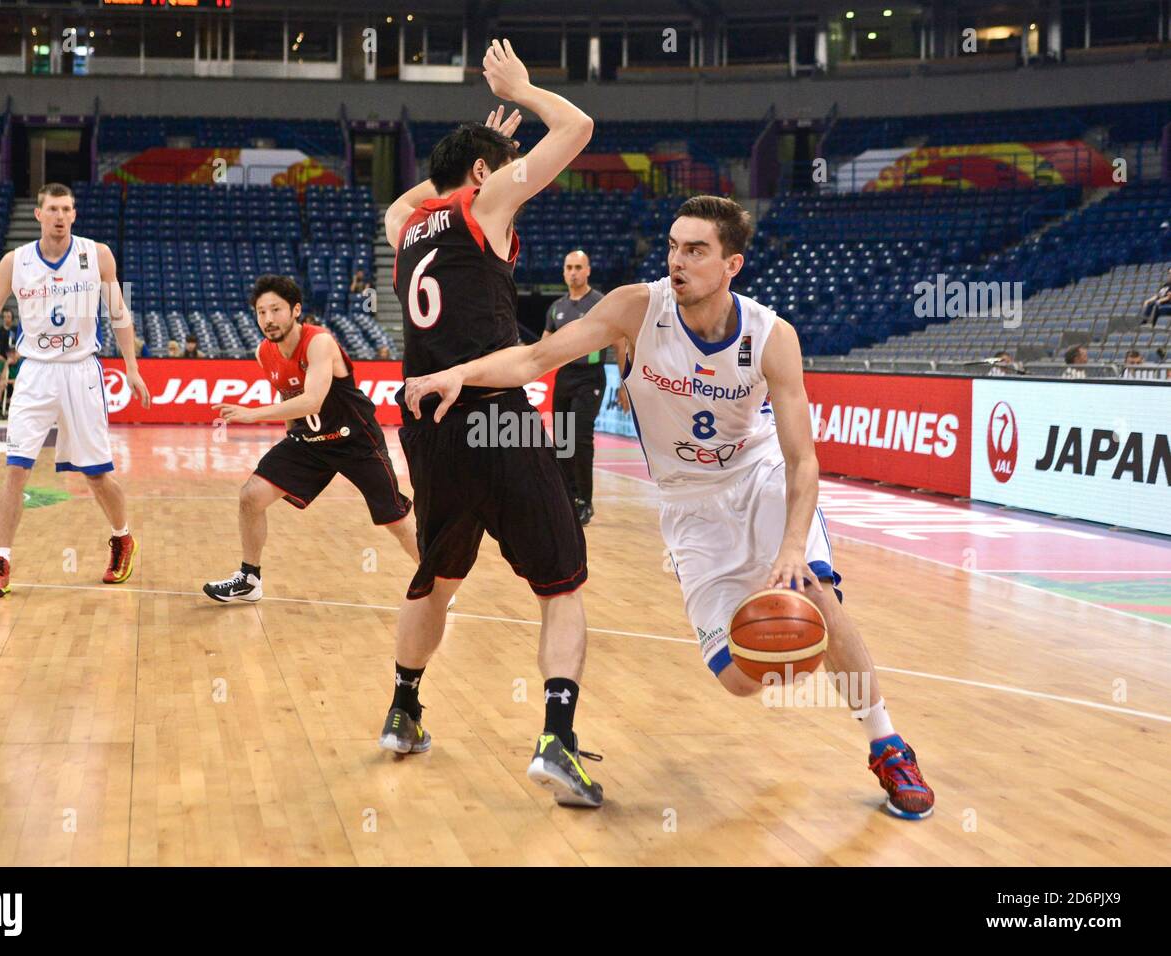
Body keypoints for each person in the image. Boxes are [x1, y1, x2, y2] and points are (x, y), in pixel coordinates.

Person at [405, 195, 937, 821]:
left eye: (695, 250)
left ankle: (887, 744)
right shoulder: (638, 307)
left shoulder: (772, 336)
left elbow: (802, 462)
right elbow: (534, 358)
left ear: (731, 263)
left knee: (815, 590)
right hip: (688, 504)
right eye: (672, 247)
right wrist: (458, 375)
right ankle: (802, 647)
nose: (677, 261)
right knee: (739, 678)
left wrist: (793, 547)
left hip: (758, 473)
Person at [384, 39, 603, 806]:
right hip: (493, 416)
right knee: (562, 584)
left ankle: (403, 710)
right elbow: (577, 128)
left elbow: (400, 205)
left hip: (426, 425)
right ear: (482, 177)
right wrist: (528, 90)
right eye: (502, 163)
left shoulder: (407, 231)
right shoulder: (486, 203)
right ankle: (557, 739)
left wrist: (461, 160)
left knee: (436, 576)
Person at [0, 182, 153, 598]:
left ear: (74, 215)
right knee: (15, 469)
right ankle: (1, 560)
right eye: (53, 209)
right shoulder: (16, 262)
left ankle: (122, 537)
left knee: (97, 475)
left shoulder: (97, 255)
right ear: (39, 215)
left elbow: (119, 314)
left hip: (81, 371)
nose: (60, 216)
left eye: (67, 209)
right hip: (36, 373)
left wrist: (132, 367)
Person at [203, 275, 418, 602]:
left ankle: (433, 579)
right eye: (261, 312)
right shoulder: (265, 352)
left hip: (355, 440)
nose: (268, 319)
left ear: (296, 310)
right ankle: (249, 578)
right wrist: (291, 440)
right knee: (251, 496)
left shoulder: (319, 342)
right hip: (310, 441)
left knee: (394, 517)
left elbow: (312, 400)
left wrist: (252, 414)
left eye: (276, 309)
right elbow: (289, 396)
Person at [544, 249, 607, 525]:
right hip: (564, 376)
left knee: (581, 436)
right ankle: (568, 497)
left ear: (588, 270)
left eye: (578, 267)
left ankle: (585, 500)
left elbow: (618, 340)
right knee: (564, 440)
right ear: (563, 272)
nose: (573, 272)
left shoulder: (600, 303)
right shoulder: (556, 307)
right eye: (568, 267)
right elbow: (544, 346)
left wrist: (625, 382)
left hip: (591, 377)